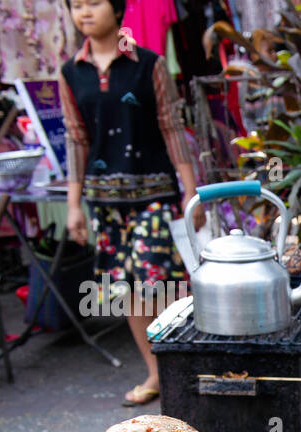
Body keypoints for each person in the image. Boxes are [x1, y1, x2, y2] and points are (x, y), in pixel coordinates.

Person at [60, 0, 200, 406]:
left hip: (154, 194)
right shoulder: (71, 72)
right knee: (128, 289)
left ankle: (183, 367)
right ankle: (156, 372)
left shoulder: (148, 64)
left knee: (162, 281)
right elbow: (76, 139)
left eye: (94, 3)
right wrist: (74, 205)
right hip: (104, 202)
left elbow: (171, 126)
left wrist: (191, 191)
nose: (84, 12)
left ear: (118, 9)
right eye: (76, 5)